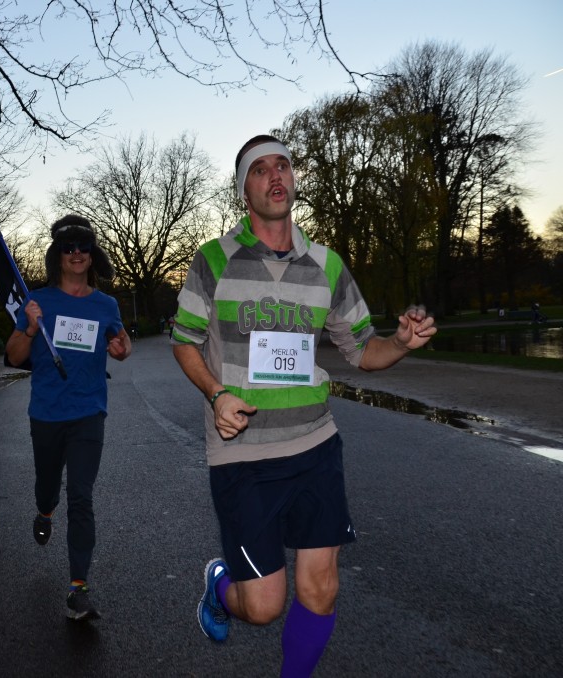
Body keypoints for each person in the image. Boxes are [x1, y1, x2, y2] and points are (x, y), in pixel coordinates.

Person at [171, 135, 436, 676]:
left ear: (293, 179)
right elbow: (184, 340)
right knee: (263, 607)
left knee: (321, 589)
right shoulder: (213, 260)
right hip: (243, 455)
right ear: (243, 189)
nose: (275, 176)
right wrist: (216, 393)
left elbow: (362, 350)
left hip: (315, 444)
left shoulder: (327, 265)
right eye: (260, 169)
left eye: (283, 166)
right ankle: (220, 588)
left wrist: (401, 343)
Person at [5, 214, 132, 622]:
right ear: (57, 255)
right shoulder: (38, 300)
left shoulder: (106, 304)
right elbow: (14, 356)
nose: (77, 253)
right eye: (68, 247)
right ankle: (44, 510)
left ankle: (79, 587)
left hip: (88, 412)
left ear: (92, 255)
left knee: (81, 494)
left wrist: (122, 349)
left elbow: (120, 341)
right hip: (46, 413)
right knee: (48, 488)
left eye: (83, 247)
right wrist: (29, 328)